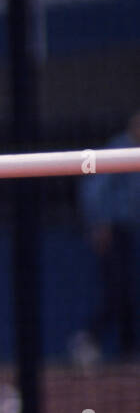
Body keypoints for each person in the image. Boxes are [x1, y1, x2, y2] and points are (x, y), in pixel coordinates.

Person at [70, 112, 140, 369]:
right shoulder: (120, 148)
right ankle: (88, 339)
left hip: (130, 229)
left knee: (128, 289)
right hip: (113, 230)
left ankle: (129, 349)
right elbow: (94, 190)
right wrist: (100, 224)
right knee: (116, 288)